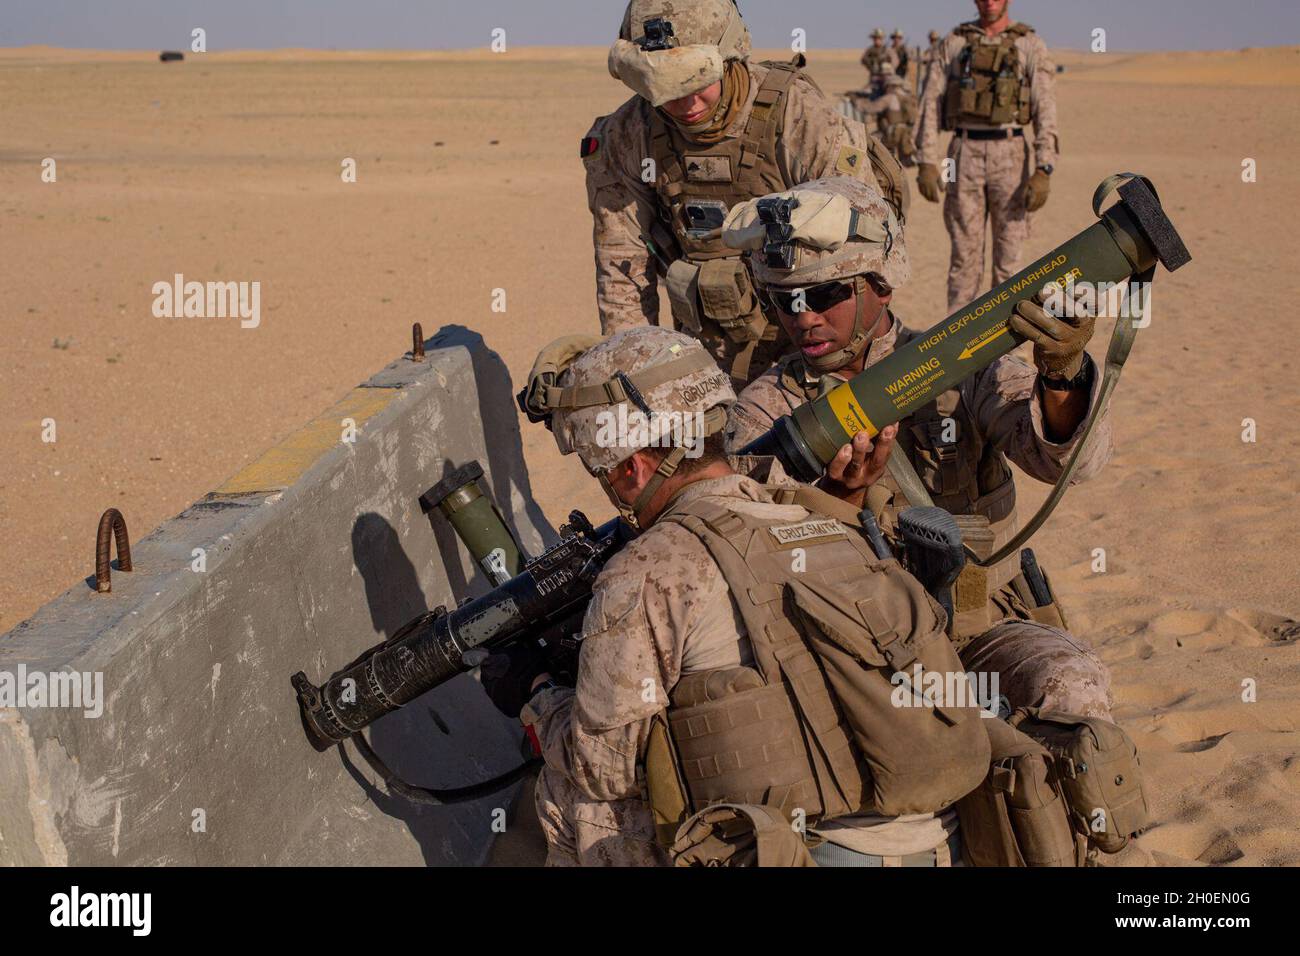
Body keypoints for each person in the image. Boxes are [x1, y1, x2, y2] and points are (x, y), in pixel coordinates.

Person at [498, 326, 992, 866]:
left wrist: (538, 690)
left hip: (813, 854)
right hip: (935, 843)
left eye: (603, 474)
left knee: (581, 797)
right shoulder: (818, 515)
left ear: (632, 466)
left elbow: (604, 767)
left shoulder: (648, 567)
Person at [721, 176, 1113, 720]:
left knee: (1074, 691)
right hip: (857, 652)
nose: (803, 317)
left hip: (981, 631)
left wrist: (1062, 373)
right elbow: (748, 549)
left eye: (826, 294)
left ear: (881, 284)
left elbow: (1072, 463)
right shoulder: (768, 409)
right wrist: (837, 496)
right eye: (783, 300)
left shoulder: (961, 364)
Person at [586, 0, 908, 388]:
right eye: (662, 88)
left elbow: (865, 251)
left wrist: (851, 370)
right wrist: (639, 381)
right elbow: (622, 266)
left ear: (730, 55)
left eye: (696, 82)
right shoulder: (627, 134)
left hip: (817, 340)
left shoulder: (797, 114)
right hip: (704, 347)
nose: (685, 104)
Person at [914, 0, 1059, 309]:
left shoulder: (1029, 44)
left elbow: (1045, 109)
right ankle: (957, 343)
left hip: (1011, 153)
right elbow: (929, 103)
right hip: (962, 152)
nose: (988, 1)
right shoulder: (953, 44)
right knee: (963, 260)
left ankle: (1006, 349)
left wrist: (1044, 167)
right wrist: (926, 160)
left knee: (1010, 261)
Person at [860, 28, 898, 92]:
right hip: (874, 77)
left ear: (882, 39)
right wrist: (870, 66)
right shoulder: (870, 50)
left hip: (886, 77)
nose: (876, 40)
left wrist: (889, 68)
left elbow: (895, 61)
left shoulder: (887, 50)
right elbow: (863, 59)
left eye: (878, 38)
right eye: (875, 38)